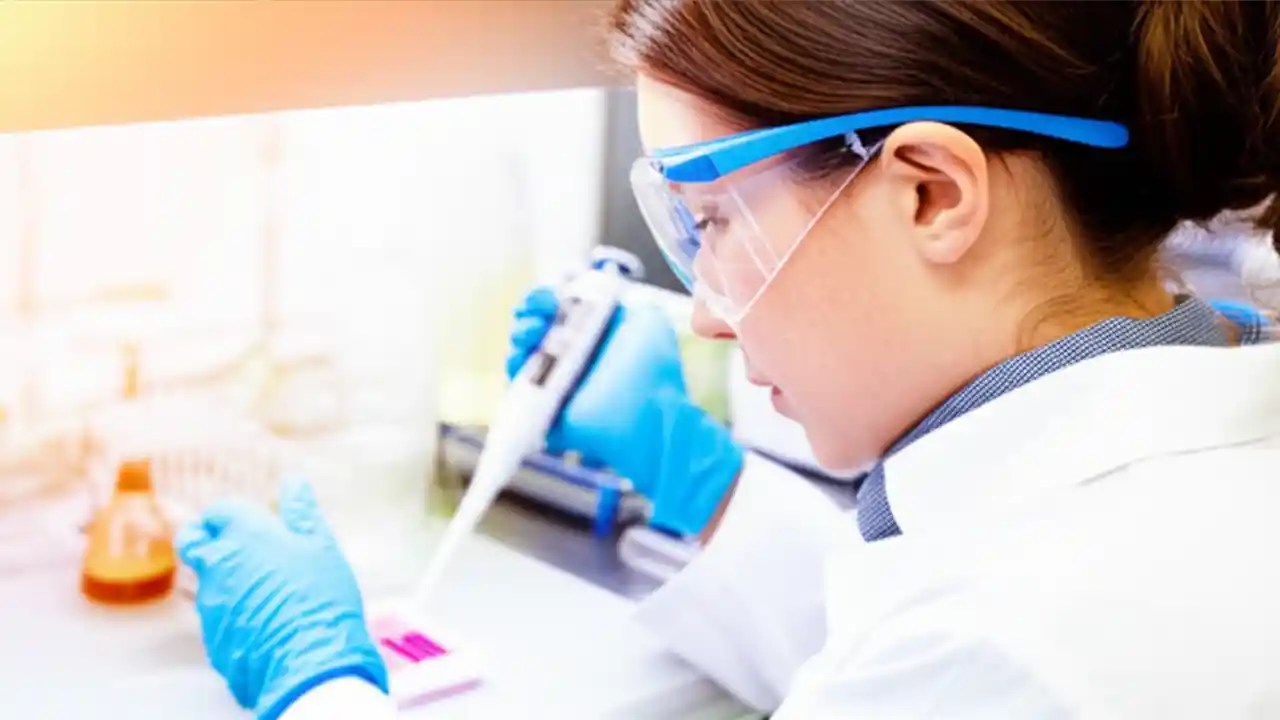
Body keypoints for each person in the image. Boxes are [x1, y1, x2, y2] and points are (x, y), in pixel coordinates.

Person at [176, 1, 1280, 717]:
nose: (702, 311)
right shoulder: (1184, 481)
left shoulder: (1022, 649)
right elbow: (887, 657)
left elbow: (952, 664)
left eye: (711, 222)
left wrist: (318, 691)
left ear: (928, 193)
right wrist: (700, 488)